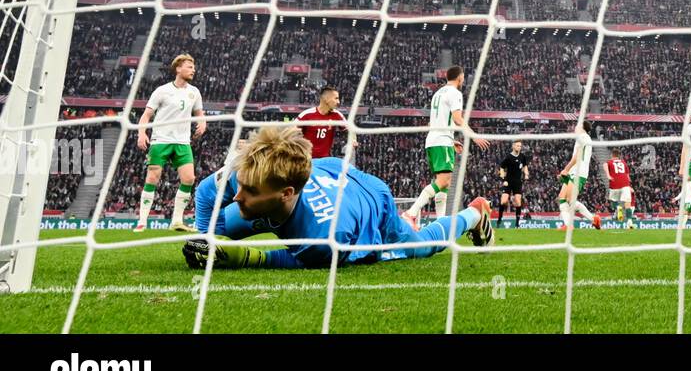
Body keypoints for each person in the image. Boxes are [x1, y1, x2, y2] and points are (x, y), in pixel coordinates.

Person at [182, 125, 494, 270]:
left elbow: (289, 258)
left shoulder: (323, 236)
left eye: (249, 191)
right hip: (329, 169)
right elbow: (206, 192)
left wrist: (245, 257)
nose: (237, 195)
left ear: (285, 193)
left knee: (419, 246)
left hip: (372, 200)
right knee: (226, 224)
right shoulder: (249, 171)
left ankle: (474, 214)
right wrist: (205, 238)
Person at [403, 66, 488, 227]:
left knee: (445, 183)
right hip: (441, 140)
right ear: (460, 78)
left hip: (436, 139)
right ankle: (411, 213)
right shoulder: (455, 93)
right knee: (443, 181)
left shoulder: (438, 93)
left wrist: (451, 140)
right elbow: (457, 119)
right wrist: (474, 136)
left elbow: (436, 120)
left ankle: (440, 221)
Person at [135, 54, 206, 232]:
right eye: (189, 66)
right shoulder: (162, 90)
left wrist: (202, 123)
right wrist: (141, 133)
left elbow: (199, 113)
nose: (193, 70)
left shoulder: (194, 92)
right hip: (161, 140)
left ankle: (176, 221)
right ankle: (142, 221)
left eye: (193, 67)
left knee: (189, 178)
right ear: (178, 69)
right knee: (152, 177)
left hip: (182, 142)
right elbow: (146, 115)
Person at [296, 86, 345, 159]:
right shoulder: (306, 115)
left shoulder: (337, 115)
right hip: (306, 160)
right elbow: (290, 131)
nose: (338, 102)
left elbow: (351, 129)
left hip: (324, 160)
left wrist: (353, 139)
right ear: (326, 99)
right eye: (336, 98)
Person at [497, 140, 530, 227]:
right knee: (503, 201)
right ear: (513, 146)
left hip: (517, 182)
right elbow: (501, 168)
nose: (519, 147)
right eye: (517, 146)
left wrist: (526, 173)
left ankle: (517, 224)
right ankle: (499, 218)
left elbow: (525, 166)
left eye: (520, 146)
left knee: (518, 202)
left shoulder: (522, 157)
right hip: (508, 181)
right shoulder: (508, 157)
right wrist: (503, 179)